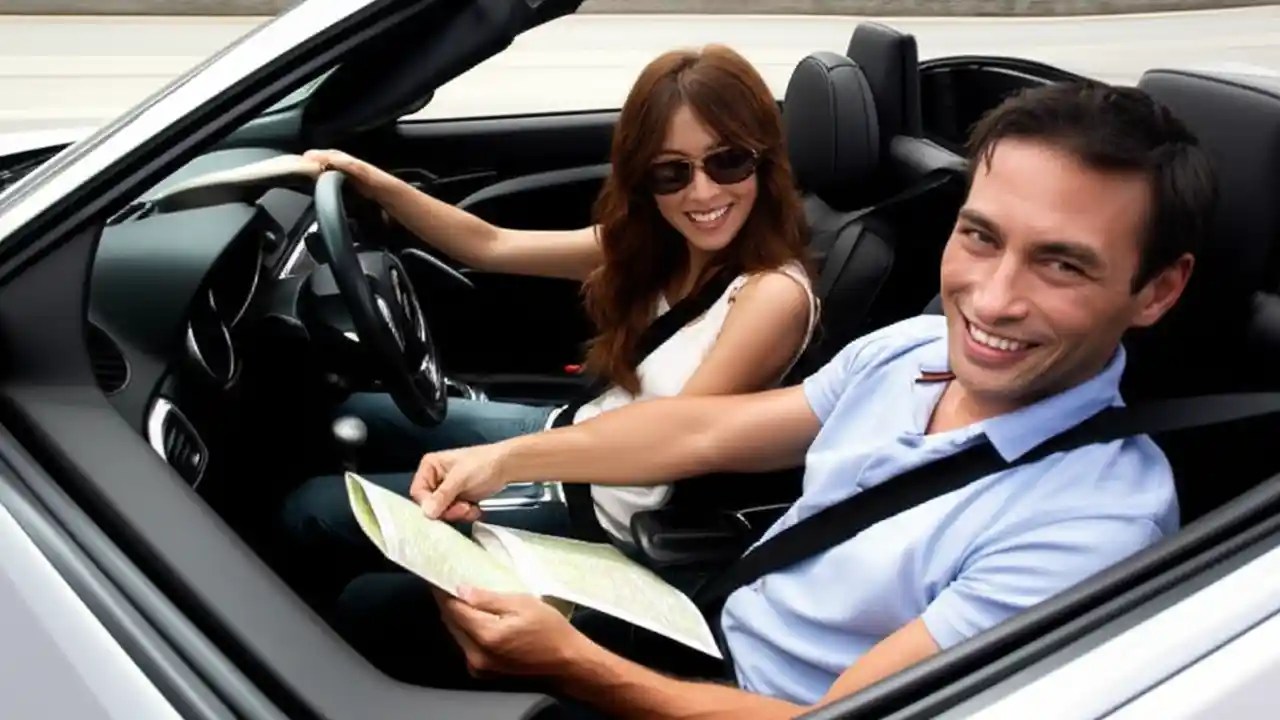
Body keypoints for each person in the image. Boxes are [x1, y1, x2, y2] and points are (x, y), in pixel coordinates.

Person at [334, 79, 1218, 718]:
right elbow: (706, 432)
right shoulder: (916, 351)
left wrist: (574, 665)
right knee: (373, 607)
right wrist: (507, 457)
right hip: (702, 622)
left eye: (1061, 263)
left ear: (1156, 291)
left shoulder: (1091, 526)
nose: (990, 300)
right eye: (979, 237)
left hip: (728, 702)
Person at [280, 44, 819, 604]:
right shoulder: (661, 247)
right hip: (572, 434)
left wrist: (502, 464)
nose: (702, 192)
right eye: (671, 171)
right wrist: (368, 179)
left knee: (313, 512)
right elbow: (489, 245)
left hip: (603, 513)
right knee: (350, 412)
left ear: (765, 159)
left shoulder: (772, 296)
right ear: (644, 177)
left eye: (727, 160)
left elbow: (676, 439)